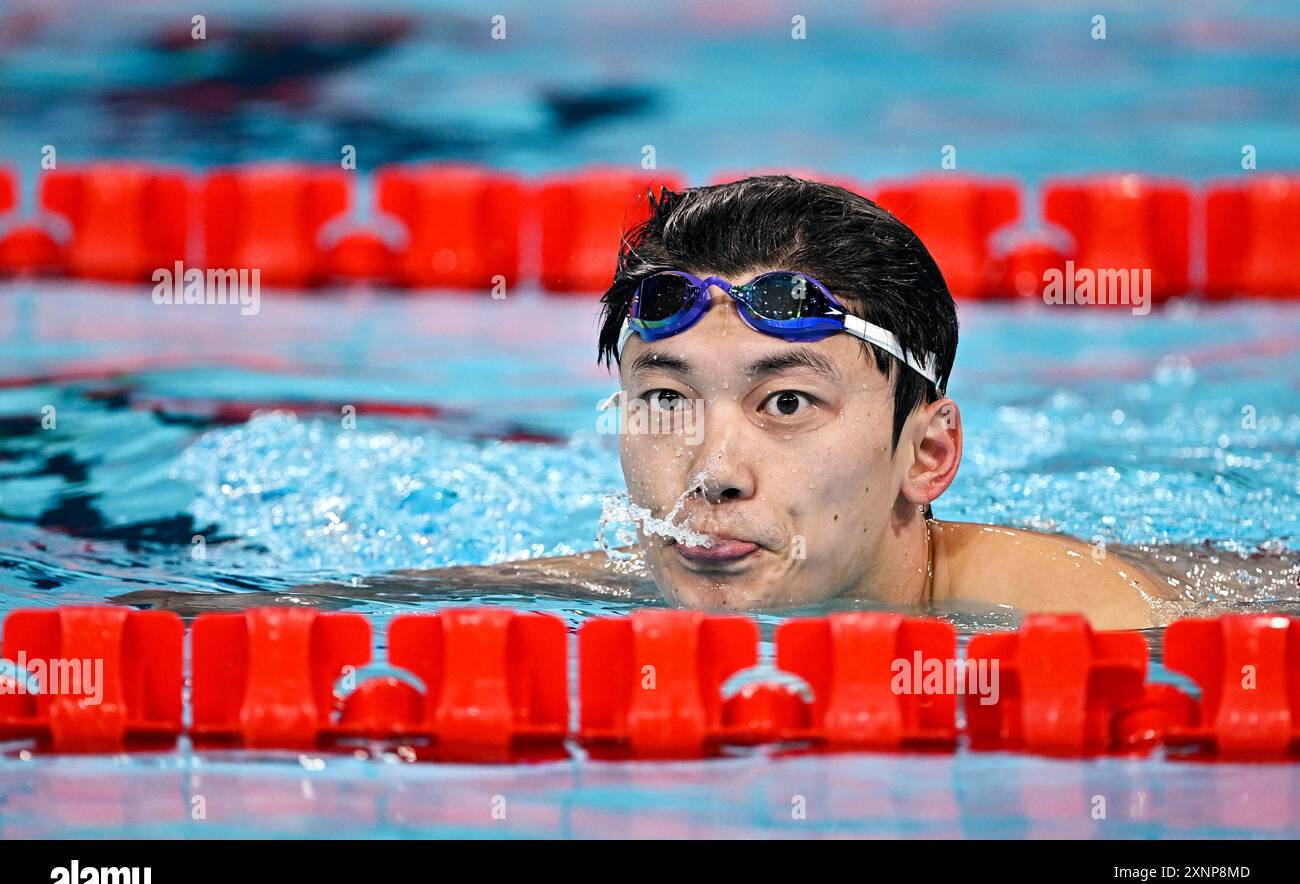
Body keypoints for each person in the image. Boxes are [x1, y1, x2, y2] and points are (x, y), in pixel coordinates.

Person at [124, 175, 1198, 629]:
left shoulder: (1110, 615)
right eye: (665, 400)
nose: (710, 471)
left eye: (784, 404)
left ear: (928, 453)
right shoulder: (597, 592)